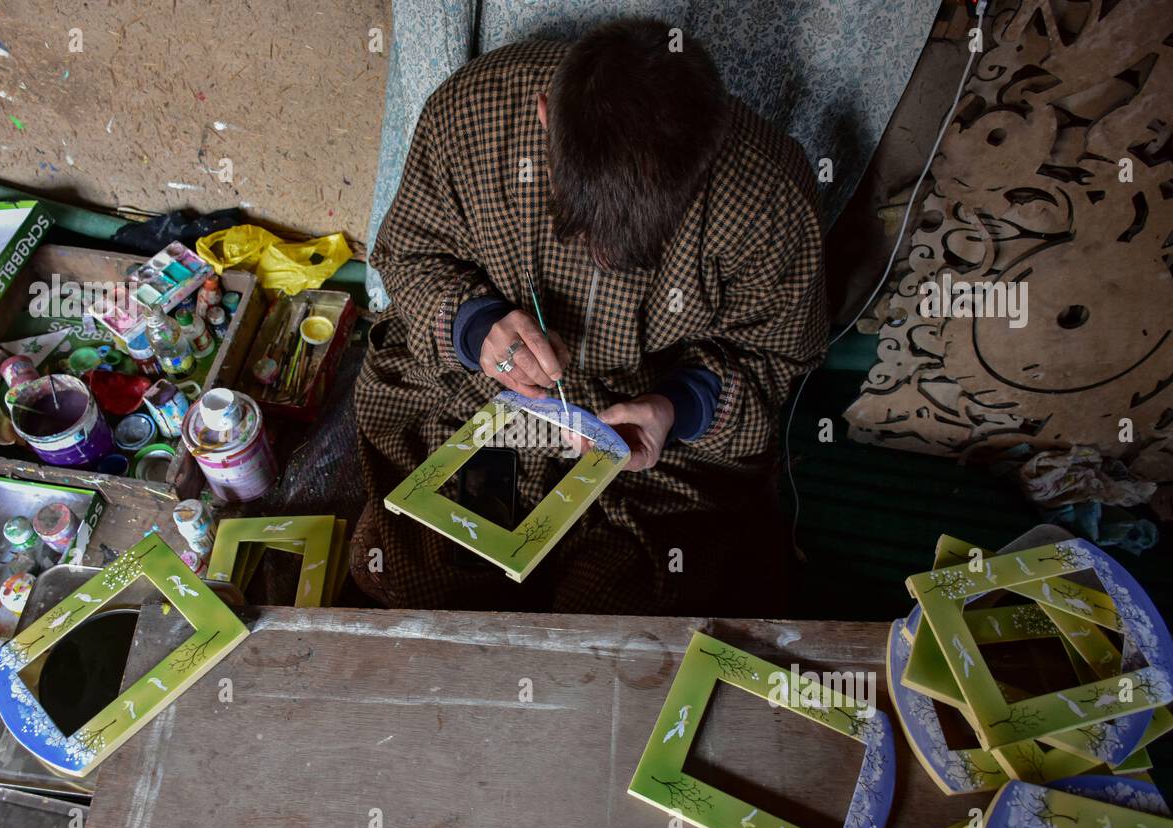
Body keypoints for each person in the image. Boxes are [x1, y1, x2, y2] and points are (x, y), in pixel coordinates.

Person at [351, 17, 827, 615]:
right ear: (546, 114)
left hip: (652, 449)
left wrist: (679, 406)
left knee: (622, 628)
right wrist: (477, 327)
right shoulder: (470, 113)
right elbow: (411, 255)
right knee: (415, 579)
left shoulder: (769, 195)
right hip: (467, 394)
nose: (602, 258)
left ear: (710, 153)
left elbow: (774, 361)